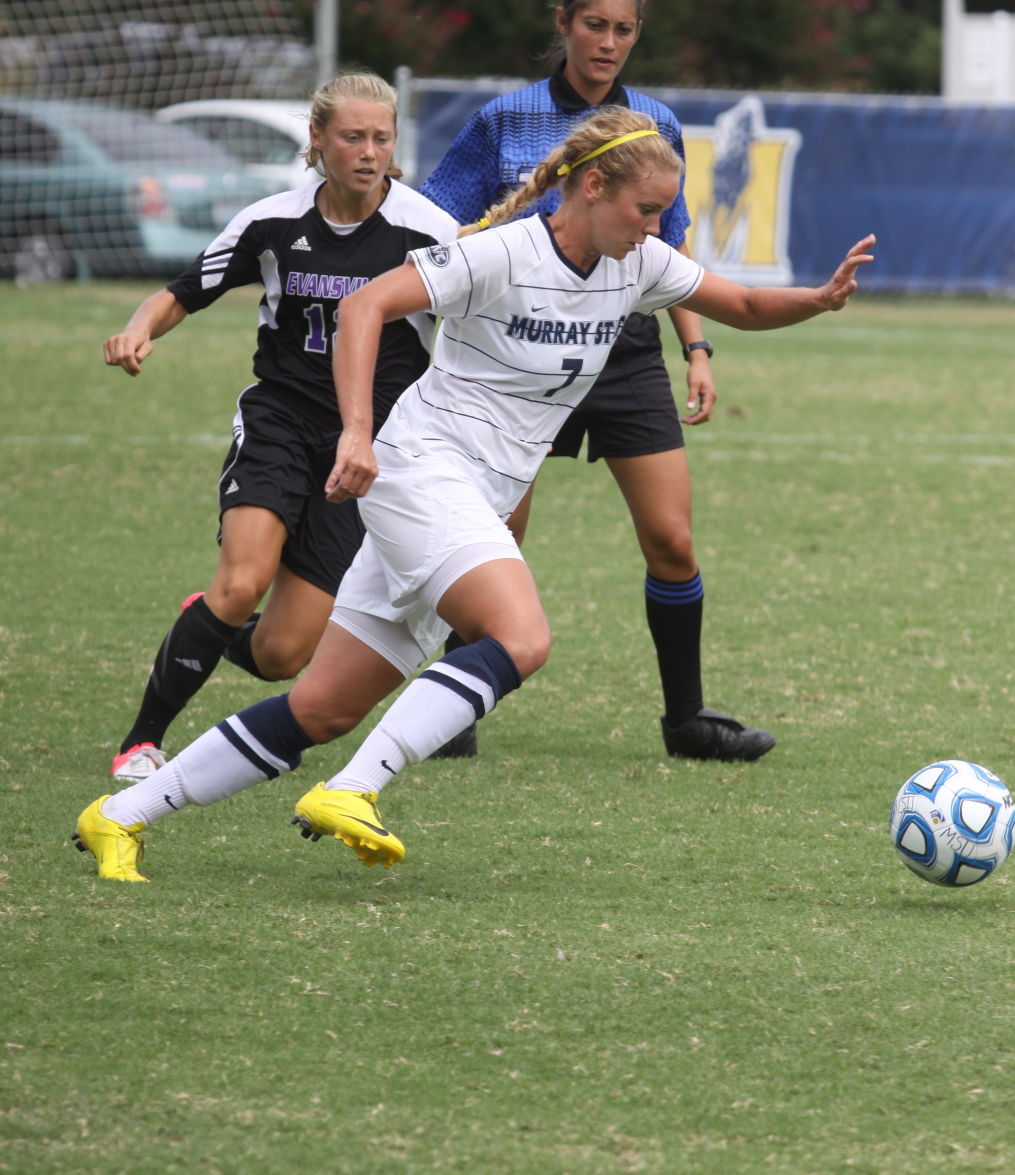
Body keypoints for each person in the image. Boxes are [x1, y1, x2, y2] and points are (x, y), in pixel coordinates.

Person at [72, 106, 874, 880]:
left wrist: (820, 298)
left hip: (470, 494)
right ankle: (353, 789)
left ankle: (121, 816)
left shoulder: (640, 263)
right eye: (646, 210)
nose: (656, 228)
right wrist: (357, 431)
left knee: (319, 707)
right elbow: (365, 305)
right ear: (591, 189)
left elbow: (738, 303)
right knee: (522, 636)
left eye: (664, 215)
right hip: (422, 468)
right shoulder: (503, 252)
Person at [420, 0, 758, 765]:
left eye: (624, 30)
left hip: (625, 349)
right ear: (564, 24)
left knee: (672, 539)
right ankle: (449, 705)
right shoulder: (504, 121)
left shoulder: (657, 126)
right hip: (517, 353)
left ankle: (686, 718)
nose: (607, 43)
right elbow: (436, 223)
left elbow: (670, 250)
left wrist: (699, 350)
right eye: (594, 25)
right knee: (495, 535)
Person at [102, 70, 457, 781]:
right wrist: (140, 327)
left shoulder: (429, 231)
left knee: (281, 654)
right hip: (281, 419)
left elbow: (480, 326)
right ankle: (141, 741)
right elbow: (185, 291)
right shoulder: (273, 220)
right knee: (242, 583)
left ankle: (207, 624)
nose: (368, 151)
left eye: (381, 138)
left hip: (366, 450)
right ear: (317, 139)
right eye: (352, 136)